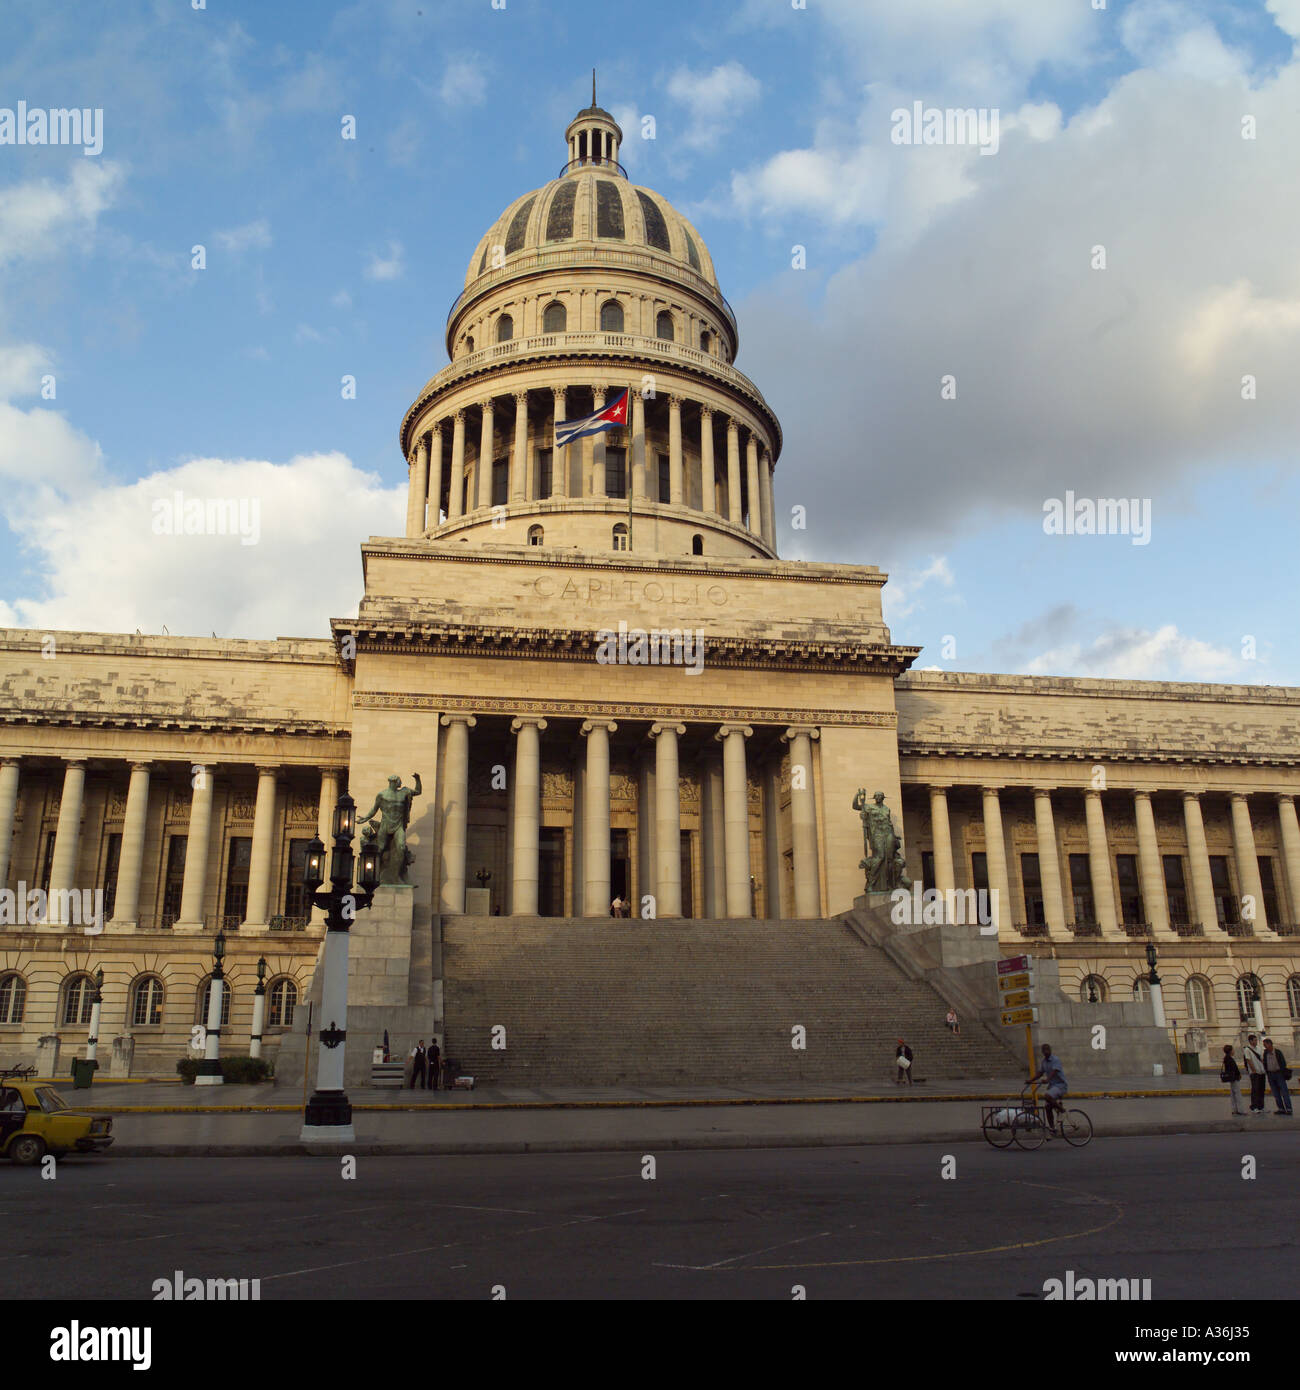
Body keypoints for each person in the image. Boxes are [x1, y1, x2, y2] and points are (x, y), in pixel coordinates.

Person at [1027, 1044, 1067, 1131]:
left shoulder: (1055, 1060)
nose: (1046, 1051)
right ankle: (1052, 1128)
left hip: (1060, 1085)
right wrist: (1031, 1080)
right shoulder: (1044, 1062)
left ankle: (1062, 1110)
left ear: (1050, 1050)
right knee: (1047, 1107)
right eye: (1044, 1050)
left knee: (1047, 1096)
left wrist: (1047, 1079)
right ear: (1042, 1052)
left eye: (1047, 1049)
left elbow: (1054, 1071)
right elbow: (1040, 1073)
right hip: (1052, 1086)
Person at [1261, 1037, 1293, 1116]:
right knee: (1275, 1093)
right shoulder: (1265, 1053)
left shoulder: (1278, 1052)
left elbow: (1283, 1063)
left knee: (1284, 1091)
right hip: (1270, 1074)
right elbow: (1265, 1063)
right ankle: (1281, 1108)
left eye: (1265, 1045)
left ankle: (1288, 1108)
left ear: (1270, 1044)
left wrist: (1281, 1071)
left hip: (1279, 1074)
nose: (1265, 1047)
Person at [1242, 1033, 1267, 1114]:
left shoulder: (1259, 1048)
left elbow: (1262, 1059)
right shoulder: (1247, 1049)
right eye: (1255, 1040)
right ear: (1250, 1041)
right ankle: (1254, 1107)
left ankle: (1261, 1106)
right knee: (1255, 1090)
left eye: (1256, 1040)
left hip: (1261, 1071)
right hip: (1254, 1072)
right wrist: (1253, 1070)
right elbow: (1248, 1060)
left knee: (1261, 1089)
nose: (1256, 1042)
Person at [1220, 1044, 1245, 1116]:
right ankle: (1240, 1110)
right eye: (1233, 1050)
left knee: (1233, 1094)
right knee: (1237, 1094)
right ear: (1230, 1051)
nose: (1234, 1051)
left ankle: (1234, 1109)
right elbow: (1234, 1069)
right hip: (1234, 1078)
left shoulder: (1226, 1059)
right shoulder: (1230, 1059)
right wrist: (1238, 1074)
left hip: (1231, 1078)